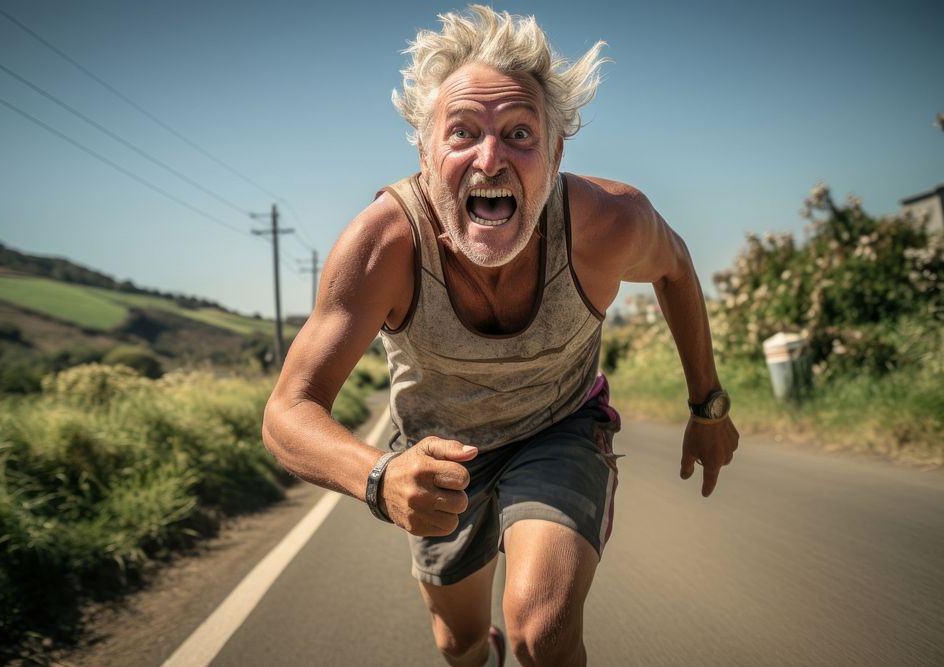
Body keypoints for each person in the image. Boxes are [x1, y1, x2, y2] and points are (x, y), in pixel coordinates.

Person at [262, 5, 739, 666]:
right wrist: (381, 476)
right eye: (462, 132)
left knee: (540, 629)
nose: (490, 158)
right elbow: (288, 410)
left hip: (560, 427)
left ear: (556, 152)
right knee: (457, 644)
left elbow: (677, 269)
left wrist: (707, 404)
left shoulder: (608, 221)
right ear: (427, 154)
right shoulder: (383, 244)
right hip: (438, 454)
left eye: (519, 132)